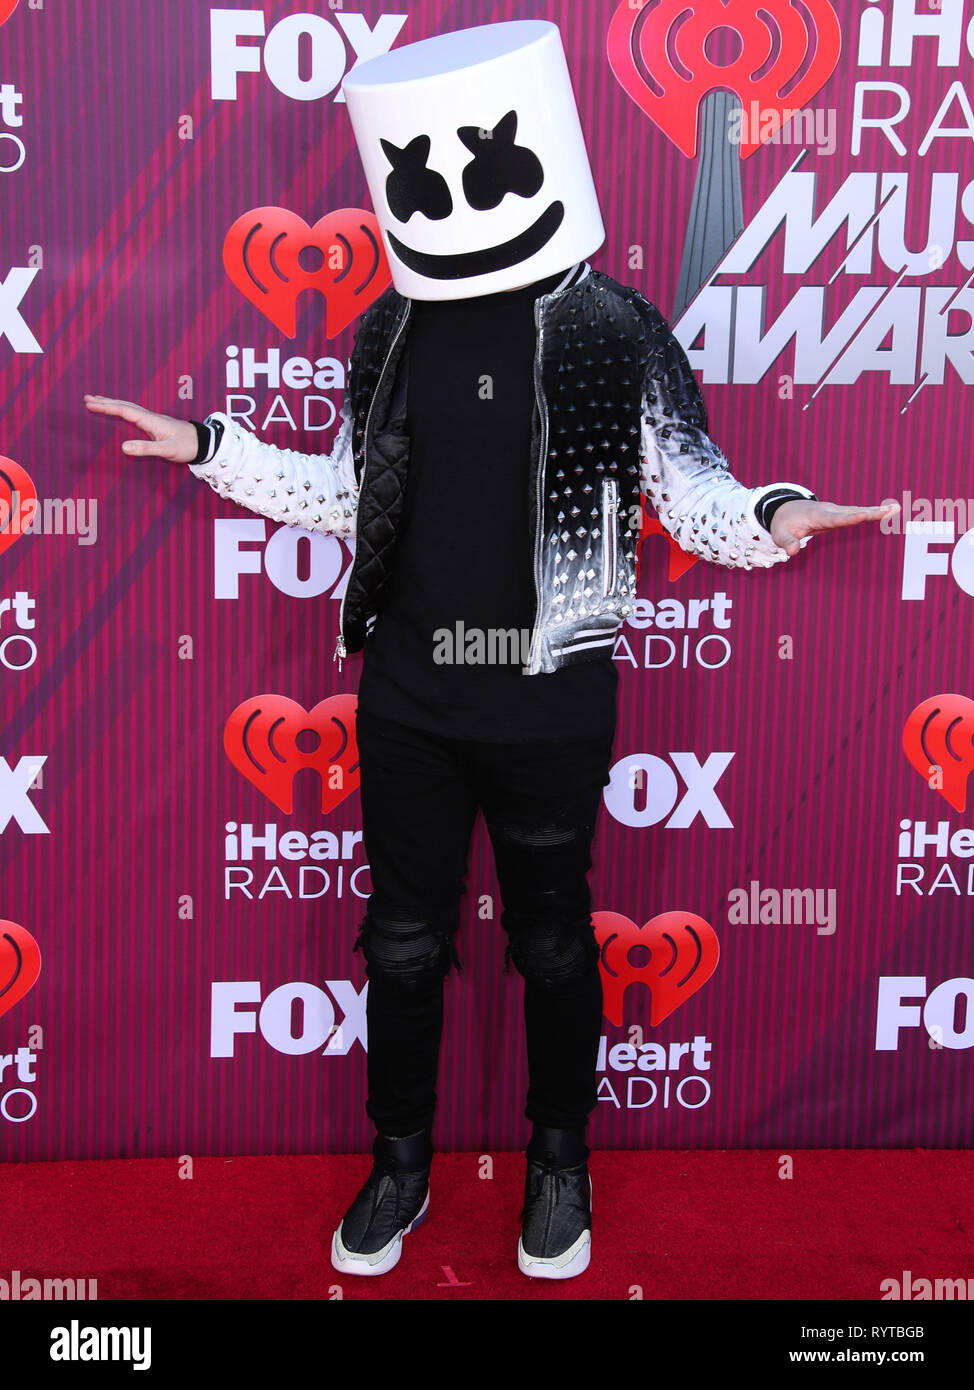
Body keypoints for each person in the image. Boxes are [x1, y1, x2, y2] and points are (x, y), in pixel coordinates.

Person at [85, 19, 897, 1282]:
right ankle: (400, 1165)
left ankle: (557, 1165)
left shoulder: (615, 328)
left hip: (549, 705)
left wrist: (781, 515)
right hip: (408, 702)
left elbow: (691, 497)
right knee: (401, 941)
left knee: (554, 942)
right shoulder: (387, 331)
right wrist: (210, 449)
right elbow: (346, 497)